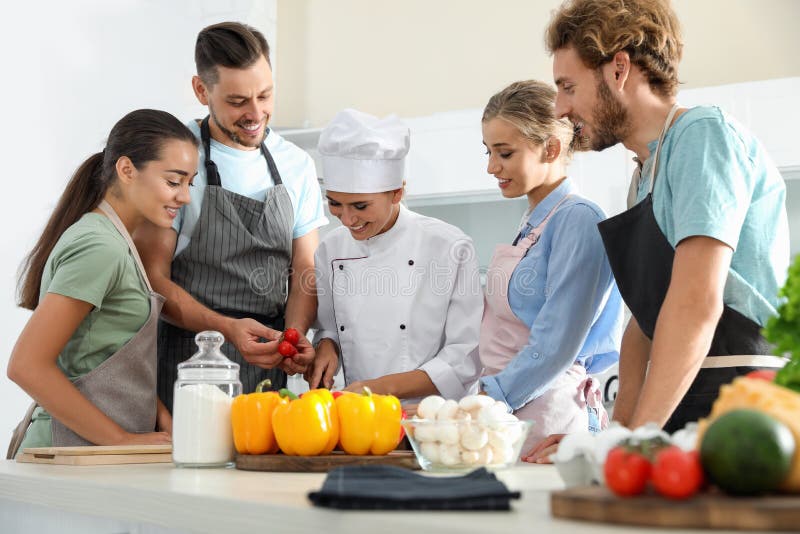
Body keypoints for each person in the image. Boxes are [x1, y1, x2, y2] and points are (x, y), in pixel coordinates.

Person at [527, 0, 790, 461]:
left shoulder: (702, 135)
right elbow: (644, 324)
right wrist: (614, 435)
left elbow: (695, 303)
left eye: (568, 87)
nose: (560, 108)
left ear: (619, 69)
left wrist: (633, 442)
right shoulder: (644, 172)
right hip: (685, 393)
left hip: (742, 397)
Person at [135, 22, 328, 410]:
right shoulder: (175, 157)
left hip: (268, 368)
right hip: (189, 366)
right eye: (238, 101)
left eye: (265, 95)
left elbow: (304, 269)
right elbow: (152, 279)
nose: (256, 114)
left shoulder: (296, 164)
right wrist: (226, 329)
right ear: (201, 90)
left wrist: (292, 338)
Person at [6, 109, 198, 457]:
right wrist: (121, 440)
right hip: (67, 453)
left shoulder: (117, 240)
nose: (185, 197)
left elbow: (105, 355)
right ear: (126, 170)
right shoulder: (100, 247)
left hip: (91, 456)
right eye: (174, 182)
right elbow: (26, 365)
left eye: (190, 183)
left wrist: (159, 415)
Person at [479, 80, 623, 456]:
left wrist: (488, 399)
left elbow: (556, 342)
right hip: (511, 410)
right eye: (488, 152)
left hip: (549, 413)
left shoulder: (579, 219)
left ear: (552, 148)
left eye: (504, 153)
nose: (492, 167)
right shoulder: (533, 222)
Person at [305, 108, 482, 401]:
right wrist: (327, 346)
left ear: (397, 192)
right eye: (335, 203)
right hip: (360, 414)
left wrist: (379, 388)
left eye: (360, 206)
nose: (347, 219)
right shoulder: (331, 248)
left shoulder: (449, 246)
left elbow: (463, 359)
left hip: (430, 416)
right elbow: (330, 327)